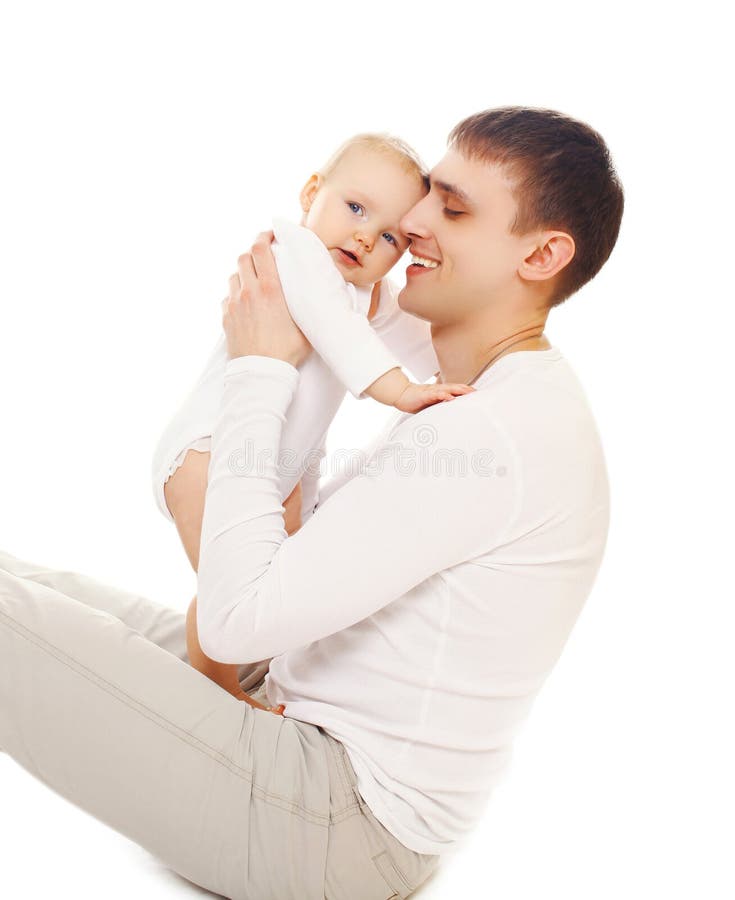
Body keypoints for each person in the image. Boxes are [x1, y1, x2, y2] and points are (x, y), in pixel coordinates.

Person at [0, 106, 624, 899]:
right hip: (288, 708)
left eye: (454, 209)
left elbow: (235, 617)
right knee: (22, 589)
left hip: (329, 824)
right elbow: (305, 577)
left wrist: (261, 366)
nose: (416, 222)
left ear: (541, 254)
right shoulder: (505, 400)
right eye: (426, 194)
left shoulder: (494, 430)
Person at [151, 133, 474, 713]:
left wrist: (471, 356)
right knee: (232, 578)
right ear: (310, 193)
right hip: (206, 454)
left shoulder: (365, 292)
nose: (363, 236)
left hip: (280, 467)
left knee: (288, 573)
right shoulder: (293, 251)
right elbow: (336, 331)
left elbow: (417, 334)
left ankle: (267, 664)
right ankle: (215, 689)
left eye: (389, 237)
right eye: (355, 208)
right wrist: (399, 390)